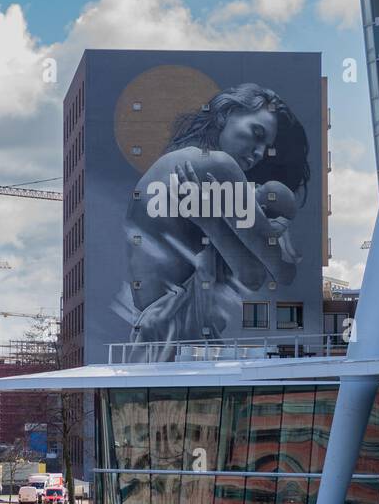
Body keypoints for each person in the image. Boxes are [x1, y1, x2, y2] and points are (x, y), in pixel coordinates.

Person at [118, 83, 312, 361]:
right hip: (181, 340)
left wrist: (209, 221)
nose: (258, 152)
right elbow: (279, 271)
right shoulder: (219, 165)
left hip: (150, 337)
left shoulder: (170, 163)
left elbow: (251, 274)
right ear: (225, 115)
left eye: (266, 146)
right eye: (256, 134)